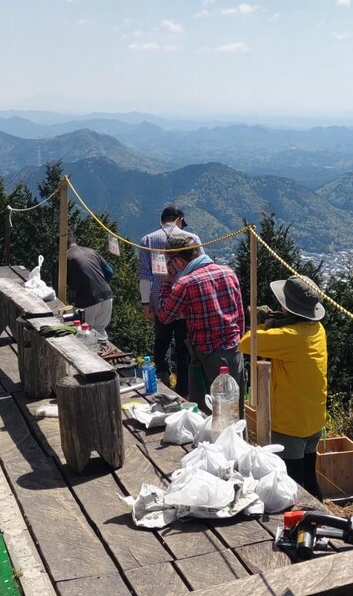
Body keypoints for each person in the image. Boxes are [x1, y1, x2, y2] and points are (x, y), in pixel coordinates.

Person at [239, 275, 328, 498]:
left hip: (289, 424)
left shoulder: (289, 336)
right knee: (309, 477)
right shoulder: (317, 329)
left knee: (292, 488)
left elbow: (246, 342)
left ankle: (300, 528)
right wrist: (278, 321)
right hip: (312, 418)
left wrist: (263, 323)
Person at [154, 233, 244, 408]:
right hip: (234, 351)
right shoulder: (228, 272)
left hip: (207, 355)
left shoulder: (185, 283)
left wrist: (166, 282)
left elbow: (165, 316)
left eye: (172, 262)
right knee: (234, 409)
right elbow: (240, 315)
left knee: (209, 411)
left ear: (179, 261)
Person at [138, 206, 200, 388]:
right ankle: (183, 388)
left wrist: (146, 304)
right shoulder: (192, 239)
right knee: (184, 347)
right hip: (185, 301)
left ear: (162, 220)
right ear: (180, 219)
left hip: (159, 302)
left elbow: (145, 275)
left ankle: (162, 379)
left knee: (162, 342)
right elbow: (200, 270)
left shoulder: (147, 240)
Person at [65, 233, 114, 345]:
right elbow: (110, 272)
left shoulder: (65, 258)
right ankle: (102, 359)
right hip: (107, 296)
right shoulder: (91, 251)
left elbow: (58, 285)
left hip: (87, 300)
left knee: (85, 336)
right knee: (100, 332)